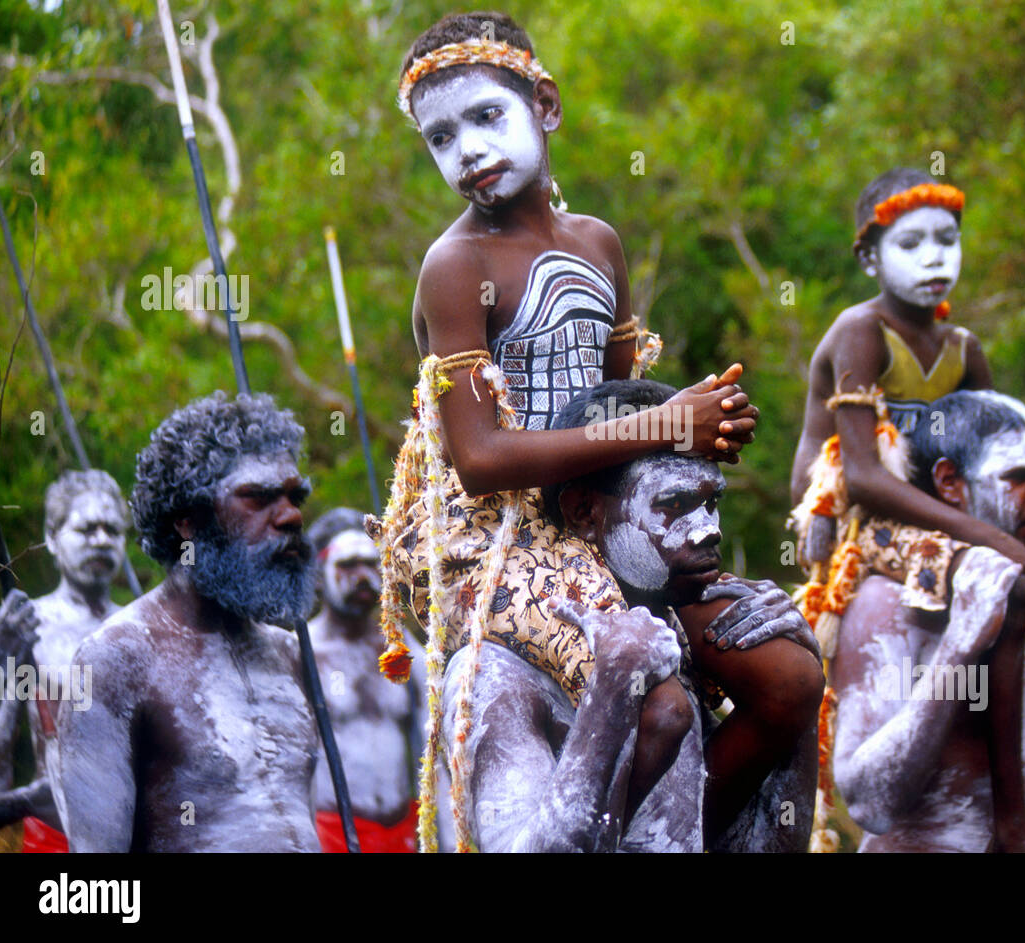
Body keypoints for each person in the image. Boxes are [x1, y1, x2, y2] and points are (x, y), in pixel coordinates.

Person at [377, 11, 757, 849]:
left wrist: (696, 429)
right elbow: (479, 460)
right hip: (494, 539)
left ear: (545, 105)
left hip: (594, 520)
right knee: (658, 703)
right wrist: (664, 422)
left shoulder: (601, 245)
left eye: (486, 117)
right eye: (440, 138)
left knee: (778, 670)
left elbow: (616, 414)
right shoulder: (456, 266)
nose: (467, 151)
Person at [787, 168, 1025, 850]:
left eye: (948, 241)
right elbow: (868, 479)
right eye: (913, 244)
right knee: (1007, 584)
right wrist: (999, 548)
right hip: (860, 524)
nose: (936, 259)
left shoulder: (965, 348)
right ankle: (1011, 822)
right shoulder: (862, 332)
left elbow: (1004, 471)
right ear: (870, 258)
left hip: (942, 517)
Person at [440, 380, 822, 851]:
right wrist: (613, 687)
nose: (708, 531)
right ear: (584, 513)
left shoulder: (680, 655)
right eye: (674, 506)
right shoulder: (499, 675)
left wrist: (802, 678)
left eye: (712, 503)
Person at [831, 390, 1025, 852]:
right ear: (950, 483)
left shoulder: (1012, 591)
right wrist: (961, 642)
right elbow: (867, 802)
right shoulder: (887, 604)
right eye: (1018, 477)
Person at [54, 393, 322, 852]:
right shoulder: (114, 661)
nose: (291, 516)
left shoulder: (290, 653)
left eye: (295, 496)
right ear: (186, 523)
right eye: (258, 498)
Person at [0, 470, 130, 853]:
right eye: (86, 529)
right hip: (49, 835)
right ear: (52, 539)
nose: (101, 541)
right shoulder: (26, 626)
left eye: (113, 531)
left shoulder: (141, 626)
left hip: (132, 834)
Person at [306, 508, 423, 853]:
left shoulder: (400, 646)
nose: (362, 576)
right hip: (331, 834)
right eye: (347, 565)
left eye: (370, 564)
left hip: (404, 829)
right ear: (319, 574)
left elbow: (434, 741)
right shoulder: (301, 653)